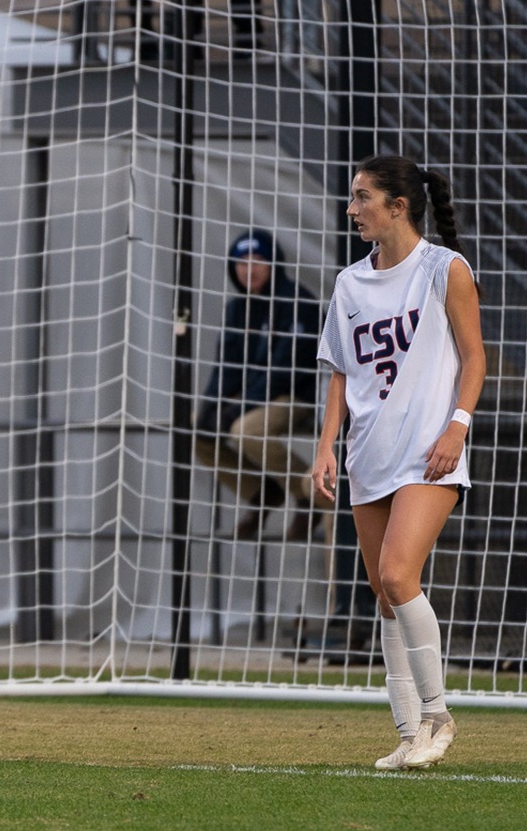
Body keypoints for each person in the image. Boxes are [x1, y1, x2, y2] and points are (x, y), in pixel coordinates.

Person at [311, 155, 485, 771]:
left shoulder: (445, 269)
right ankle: (409, 731)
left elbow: (474, 359)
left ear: (397, 207)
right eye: (352, 198)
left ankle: (439, 717)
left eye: (361, 198)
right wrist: (327, 444)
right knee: (383, 596)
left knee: (398, 576)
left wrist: (456, 428)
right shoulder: (349, 283)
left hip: (429, 454)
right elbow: (338, 369)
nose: (352, 209)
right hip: (369, 455)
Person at [194, 229, 325, 541]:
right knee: (192, 430)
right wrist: (210, 407)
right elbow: (226, 367)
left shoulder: (298, 302)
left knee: (245, 430)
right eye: (241, 262)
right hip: (255, 395)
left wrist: (238, 406)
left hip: (295, 396)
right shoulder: (238, 308)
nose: (248, 269)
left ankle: (307, 495)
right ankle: (262, 492)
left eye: (257, 261)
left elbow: (285, 371)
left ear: (273, 264)